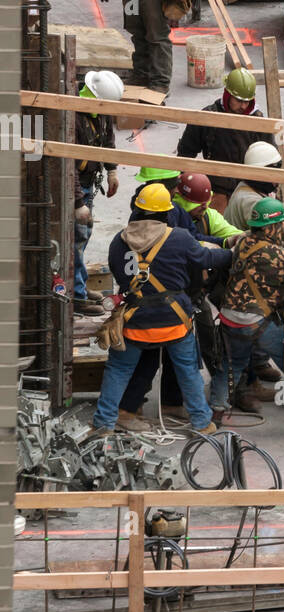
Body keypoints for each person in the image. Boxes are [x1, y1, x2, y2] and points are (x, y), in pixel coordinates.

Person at [90, 183, 232, 435]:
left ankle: (104, 424)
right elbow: (206, 259)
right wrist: (234, 252)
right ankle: (202, 423)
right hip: (173, 321)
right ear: (166, 213)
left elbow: (121, 276)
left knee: (119, 370)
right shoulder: (178, 237)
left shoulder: (119, 242)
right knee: (187, 370)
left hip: (135, 321)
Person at [209, 197, 284, 431]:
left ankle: (216, 409)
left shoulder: (244, 241)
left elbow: (270, 238)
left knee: (230, 364)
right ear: (272, 228)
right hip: (256, 321)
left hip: (228, 317)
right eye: (283, 225)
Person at [176, 68, 263, 212]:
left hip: (247, 188)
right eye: (239, 100)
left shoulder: (258, 121)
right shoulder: (207, 117)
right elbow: (186, 152)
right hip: (216, 188)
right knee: (212, 227)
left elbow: (270, 158)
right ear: (227, 95)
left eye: (248, 101)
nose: (243, 106)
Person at [73, 69, 123, 315]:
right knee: (75, 240)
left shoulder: (98, 112)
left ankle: (79, 285)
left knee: (83, 238)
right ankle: (76, 295)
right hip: (77, 185)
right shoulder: (72, 116)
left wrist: (112, 169)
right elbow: (67, 163)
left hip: (89, 182)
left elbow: (108, 140)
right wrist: (77, 201)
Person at [224, 142, 284, 230]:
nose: (277, 177)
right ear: (259, 174)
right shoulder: (250, 199)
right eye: (273, 173)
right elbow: (273, 227)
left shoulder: (249, 187)